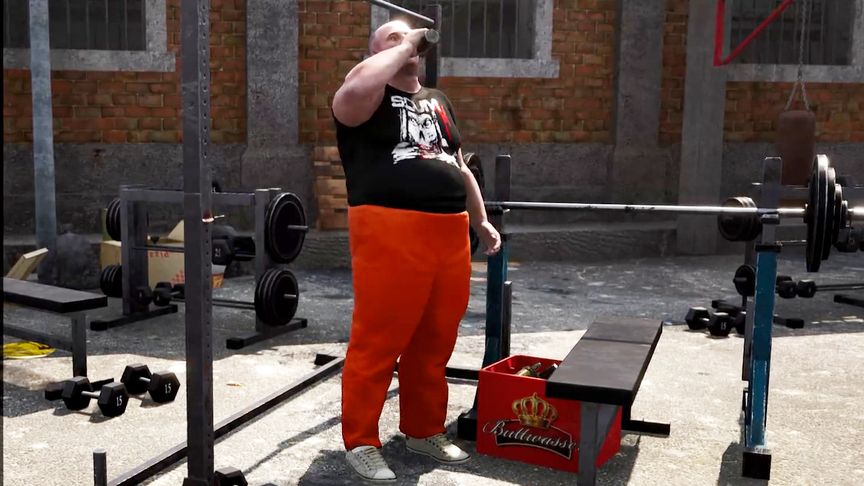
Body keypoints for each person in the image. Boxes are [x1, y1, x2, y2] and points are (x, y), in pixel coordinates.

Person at [331, 18, 501, 483]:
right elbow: (360, 82)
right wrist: (404, 44)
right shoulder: (362, 94)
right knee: (379, 340)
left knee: (435, 339)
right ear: (375, 53)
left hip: (449, 231)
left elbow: (458, 163)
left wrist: (481, 219)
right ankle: (361, 441)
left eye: (408, 36)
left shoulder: (438, 99)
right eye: (391, 36)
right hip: (389, 228)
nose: (406, 41)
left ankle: (423, 429)